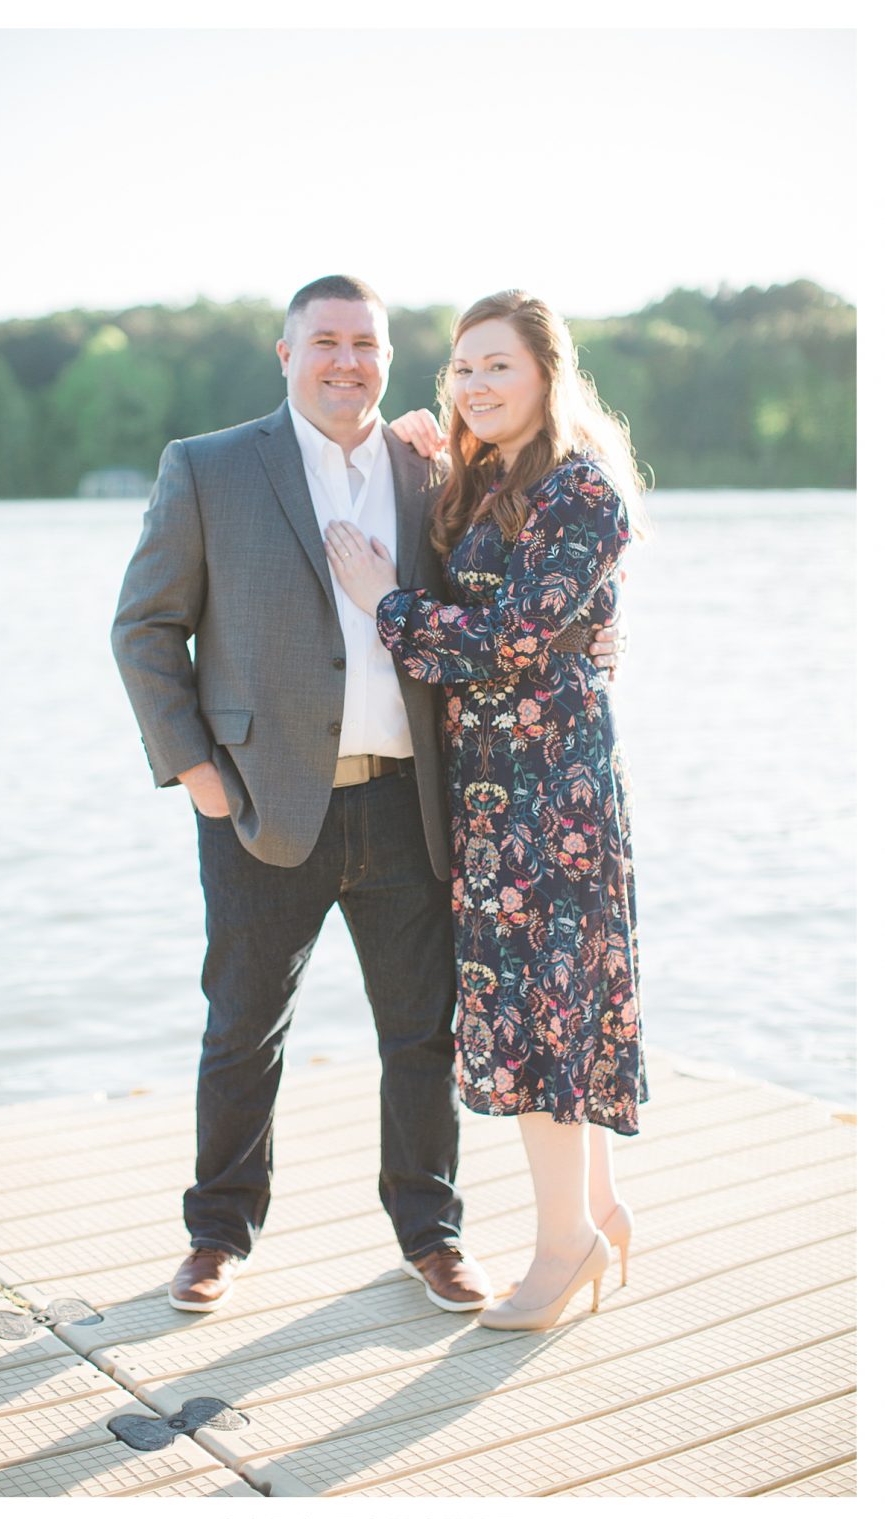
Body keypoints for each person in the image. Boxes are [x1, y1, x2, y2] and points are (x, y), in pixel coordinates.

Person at [111, 276, 622, 1316]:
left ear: (389, 360)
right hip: (260, 802)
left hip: (411, 801)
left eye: (367, 345)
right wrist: (197, 771)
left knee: (420, 1033)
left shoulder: (433, 469)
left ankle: (432, 1235)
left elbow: (519, 589)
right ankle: (216, 1236)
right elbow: (145, 629)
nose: (347, 361)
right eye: (326, 342)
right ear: (287, 353)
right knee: (242, 1029)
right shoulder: (208, 467)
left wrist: (591, 631)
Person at [325, 289, 647, 1332]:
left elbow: (511, 635)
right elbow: (520, 614)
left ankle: (565, 1245)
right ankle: (598, 1212)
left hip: (552, 795)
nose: (474, 383)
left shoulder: (579, 487)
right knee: (552, 1002)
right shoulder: (491, 479)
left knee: (549, 1013)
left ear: (548, 373)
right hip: (495, 792)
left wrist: (385, 603)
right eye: (462, 367)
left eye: (497, 365)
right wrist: (432, 454)